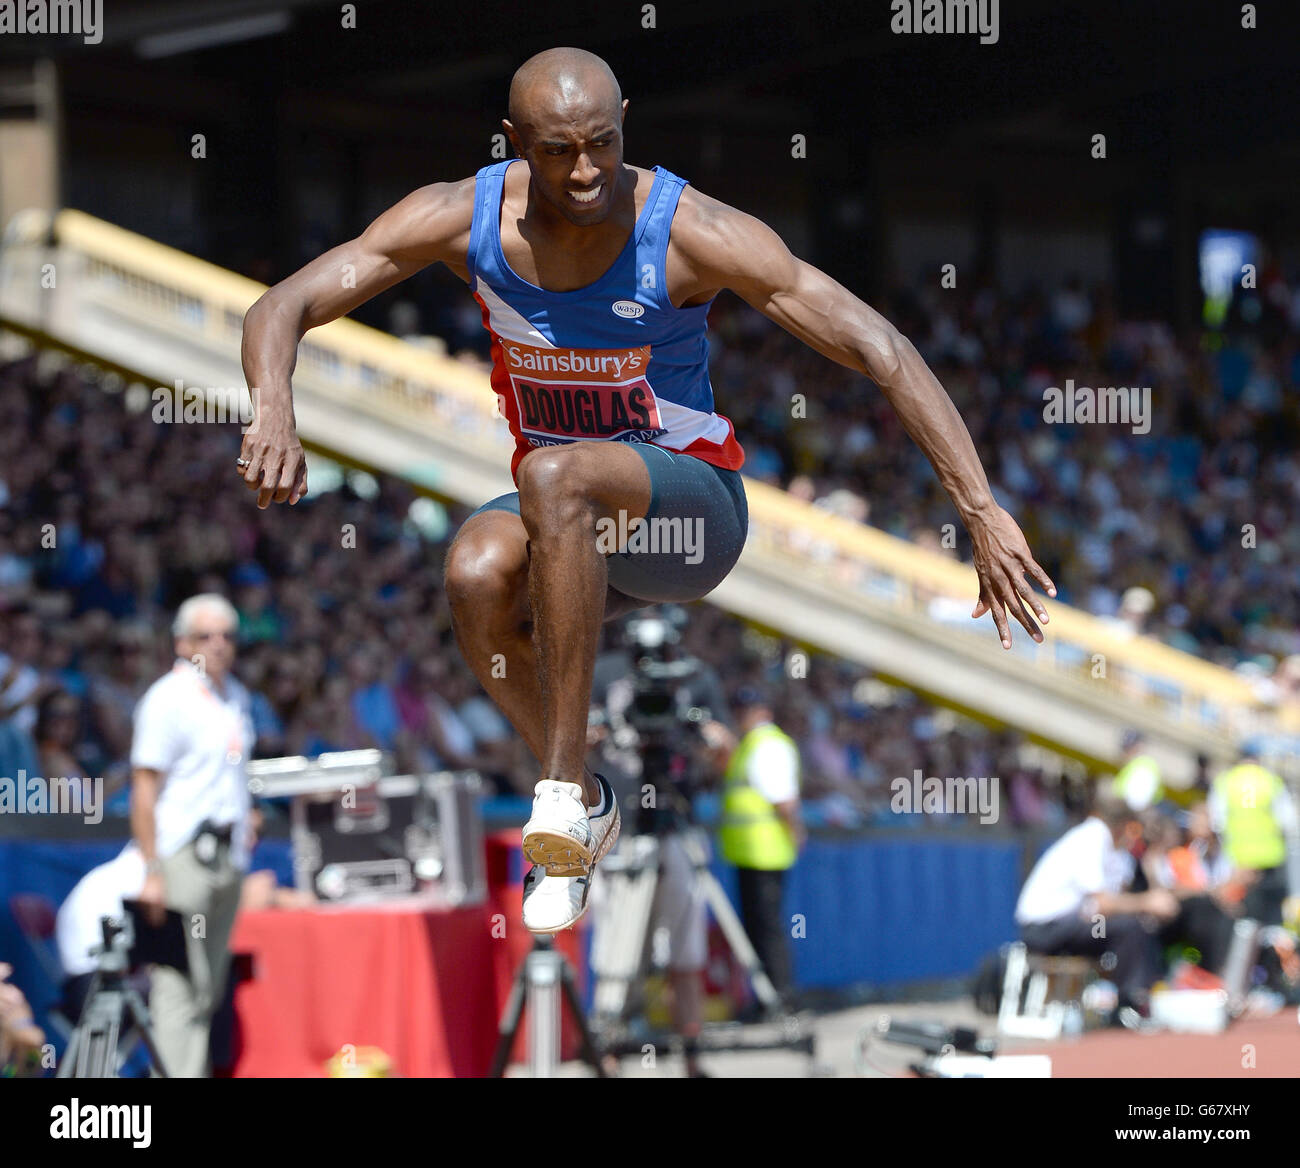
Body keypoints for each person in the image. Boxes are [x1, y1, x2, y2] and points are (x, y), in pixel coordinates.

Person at [237, 46, 1056, 933]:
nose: (586, 171)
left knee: (554, 472)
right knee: (475, 573)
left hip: (692, 517)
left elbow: (876, 344)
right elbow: (282, 304)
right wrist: (274, 408)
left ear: (626, 121)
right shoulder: (457, 219)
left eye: (604, 142)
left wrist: (978, 507)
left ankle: (554, 793)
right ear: (513, 141)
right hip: (571, 531)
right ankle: (587, 794)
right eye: (557, 151)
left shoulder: (688, 229)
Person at [130, 594, 255, 1077]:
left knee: (208, 986)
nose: (220, 645)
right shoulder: (167, 698)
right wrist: (152, 869)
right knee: (178, 983)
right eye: (207, 635)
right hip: (181, 851)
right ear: (182, 642)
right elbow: (144, 789)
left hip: (227, 853)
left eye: (228, 635)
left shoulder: (234, 695)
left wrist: (249, 819)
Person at [1015, 793, 1178, 1014]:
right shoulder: (1092, 838)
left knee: (1132, 925)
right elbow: (1104, 904)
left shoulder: (1106, 844)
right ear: (1125, 825)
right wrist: (1148, 902)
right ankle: (1128, 1004)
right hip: (1044, 930)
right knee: (1128, 928)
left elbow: (1103, 905)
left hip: (1059, 925)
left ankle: (1137, 995)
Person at [714, 686, 803, 1012]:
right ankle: (766, 997)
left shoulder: (767, 746)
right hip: (751, 852)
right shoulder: (750, 745)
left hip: (765, 852)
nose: (740, 715)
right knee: (757, 928)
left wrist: (796, 831)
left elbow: (783, 800)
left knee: (767, 928)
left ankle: (779, 997)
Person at [1209, 750, 1296, 926]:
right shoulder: (1270, 780)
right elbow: (1288, 821)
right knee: (1271, 916)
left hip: (1237, 859)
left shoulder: (1226, 781)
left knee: (1242, 915)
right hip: (1270, 857)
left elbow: (1217, 821)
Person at [1110, 729, 1164, 811]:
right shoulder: (1133, 766)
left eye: (1128, 748)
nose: (1125, 753)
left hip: (1130, 818)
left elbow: (1137, 803)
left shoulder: (1143, 768)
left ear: (1139, 747)